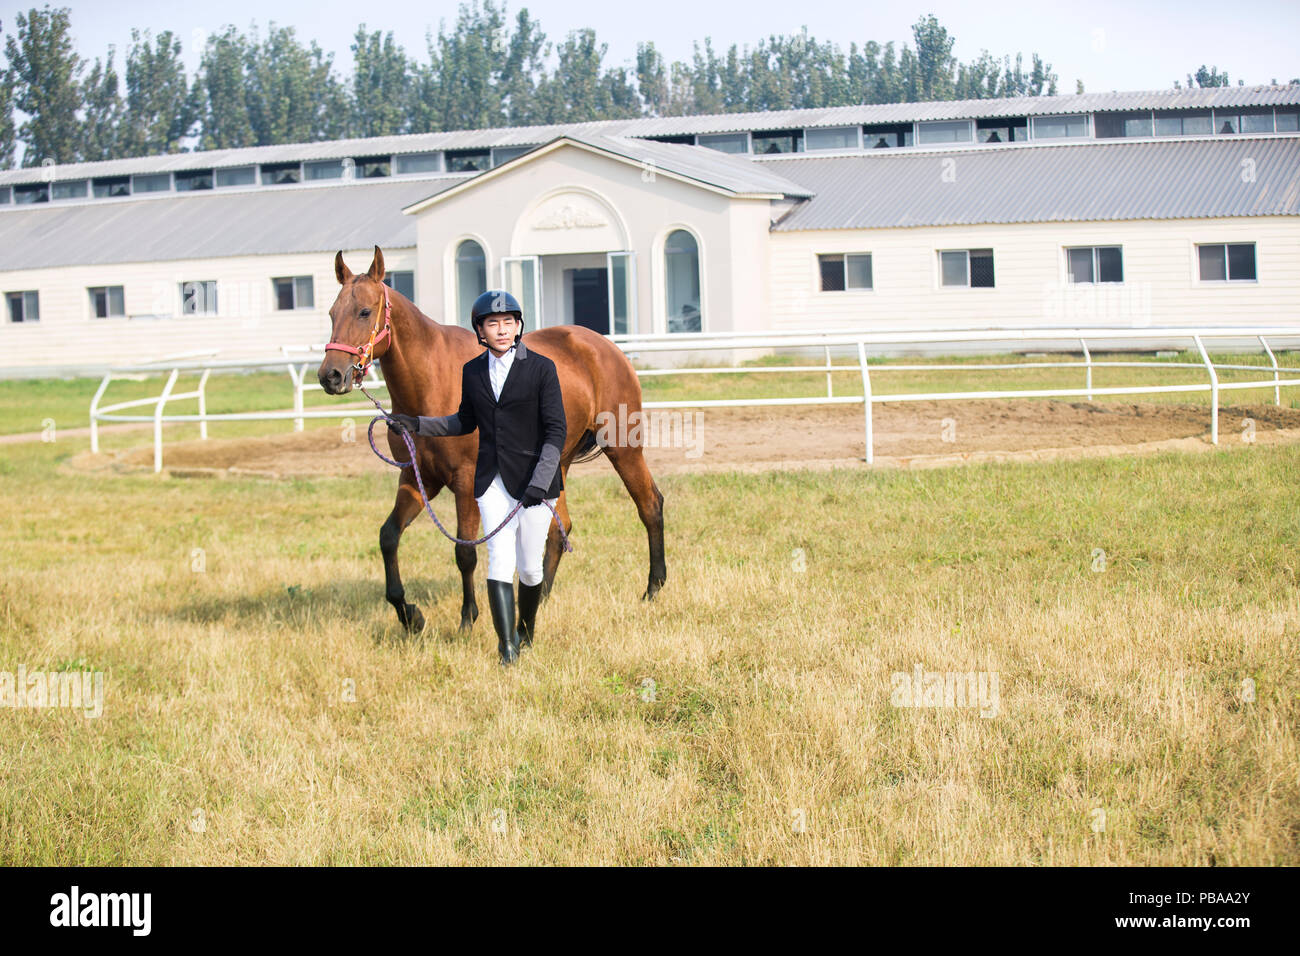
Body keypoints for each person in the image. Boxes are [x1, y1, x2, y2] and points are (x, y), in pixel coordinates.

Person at [390, 290, 566, 665]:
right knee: (499, 561)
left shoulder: (542, 369)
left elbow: (555, 432)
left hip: (536, 484)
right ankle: (507, 649)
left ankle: (527, 631)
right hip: (491, 482)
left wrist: (541, 480)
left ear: (518, 326)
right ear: (480, 330)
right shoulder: (471, 371)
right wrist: (416, 424)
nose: (502, 330)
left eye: (508, 323)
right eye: (493, 324)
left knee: (530, 566)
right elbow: (462, 421)